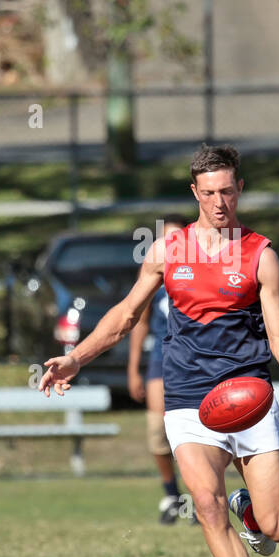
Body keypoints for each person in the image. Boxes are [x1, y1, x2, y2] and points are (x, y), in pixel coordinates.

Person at [39, 144, 279, 557]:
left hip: (249, 394)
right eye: (209, 193)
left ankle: (250, 509)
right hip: (188, 397)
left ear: (240, 190)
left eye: (228, 191)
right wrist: (76, 358)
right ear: (194, 192)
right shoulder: (167, 251)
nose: (219, 202)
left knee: (277, 527)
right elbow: (125, 315)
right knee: (205, 503)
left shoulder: (261, 256)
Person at [127, 214, 193, 524]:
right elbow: (138, 320)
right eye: (166, 239)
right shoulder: (154, 269)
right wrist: (133, 368)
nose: (172, 245)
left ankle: (198, 496)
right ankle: (171, 495)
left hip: (196, 359)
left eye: (177, 238)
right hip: (161, 357)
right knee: (158, 429)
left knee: (194, 430)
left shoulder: (201, 269)